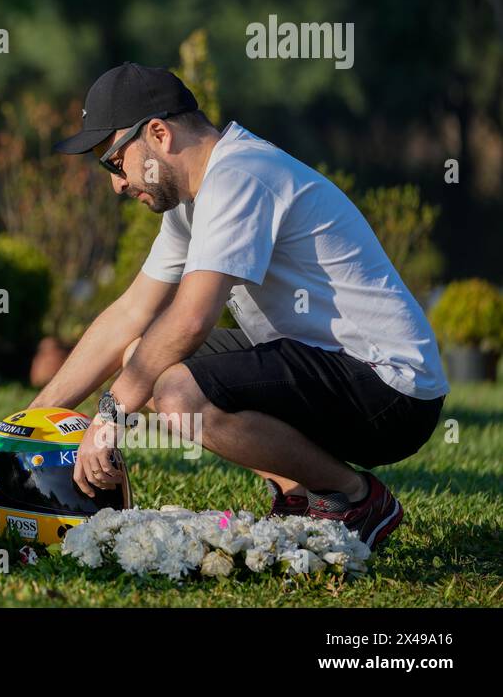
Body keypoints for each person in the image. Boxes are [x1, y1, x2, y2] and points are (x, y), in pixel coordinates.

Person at [29, 62, 447, 549]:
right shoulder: (194, 198)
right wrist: (32, 419)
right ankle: (299, 493)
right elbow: (131, 313)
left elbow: (190, 320)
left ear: (159, 134)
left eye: (113, 161)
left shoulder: (240, 177)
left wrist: (108, 416)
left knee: (176, 394)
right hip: (330, 364)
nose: (116, 184)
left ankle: (354, 498)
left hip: (391, 389)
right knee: (138, 357)